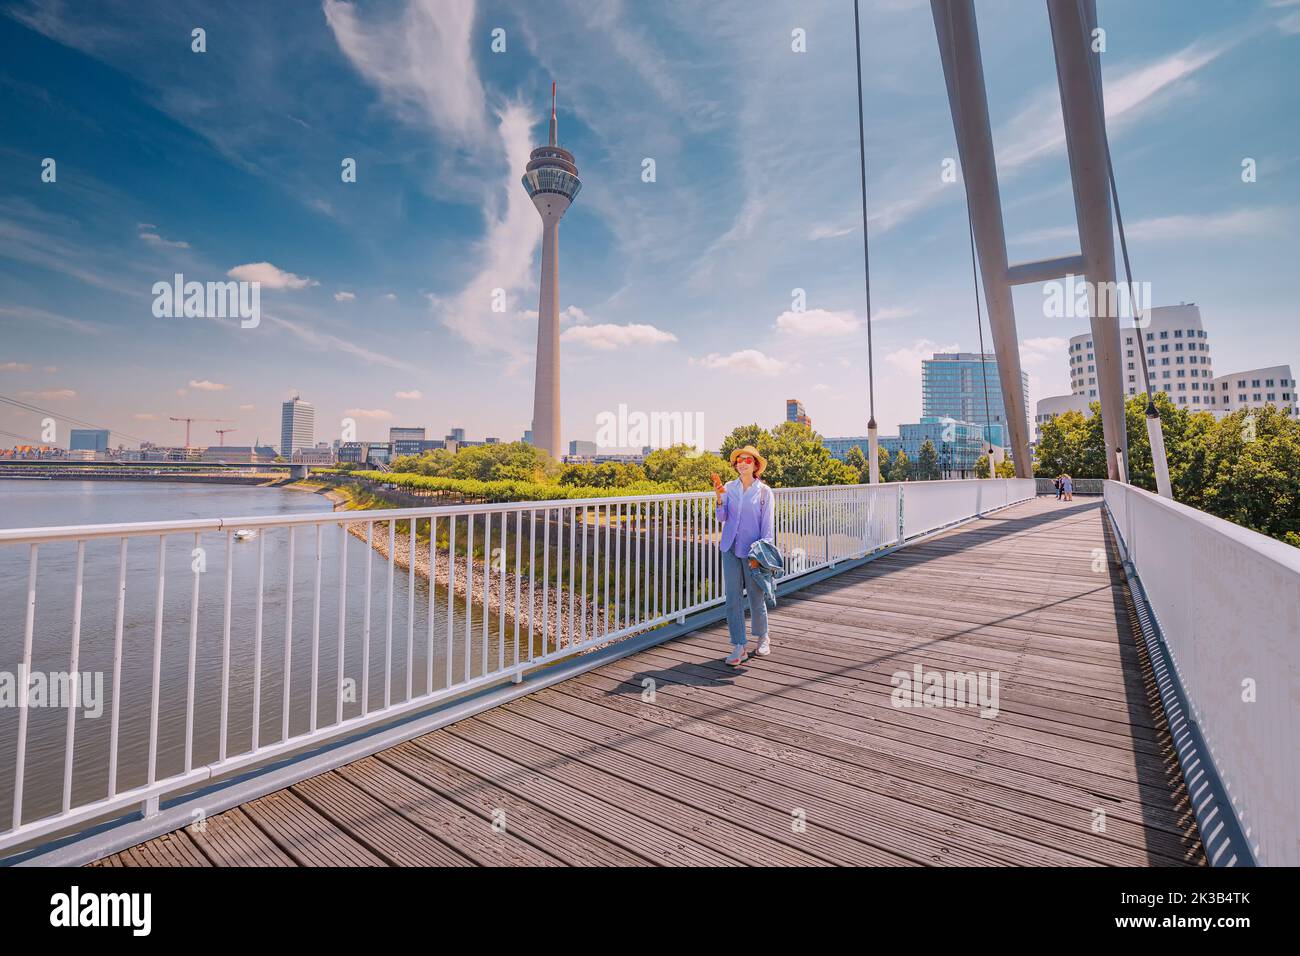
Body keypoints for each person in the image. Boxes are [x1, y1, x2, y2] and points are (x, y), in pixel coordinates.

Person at [713, 445, 776, 666]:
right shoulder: (729, 488)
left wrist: (761, 554)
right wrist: (719, 499)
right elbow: (722, 517)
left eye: (747, 460)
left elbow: (767, 529)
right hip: (729, 548)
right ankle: (738, 645)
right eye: (739, 460)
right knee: (732, 598)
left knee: (755, 596)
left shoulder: (765, 492)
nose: (741, 463)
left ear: (756, 465)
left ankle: (762, 636)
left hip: (752, 552)